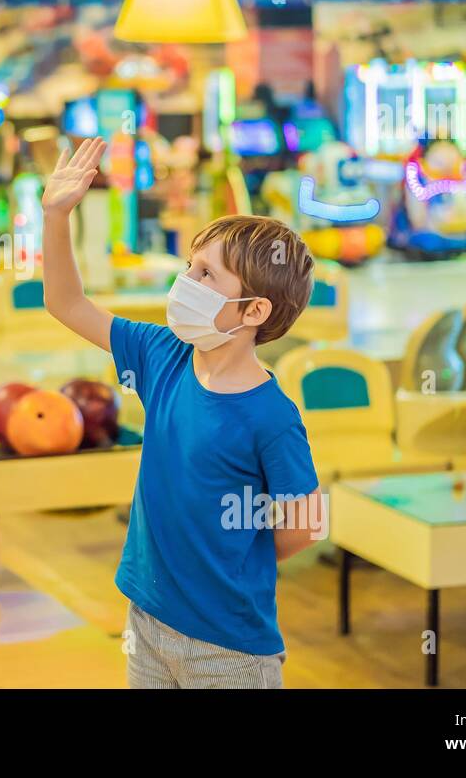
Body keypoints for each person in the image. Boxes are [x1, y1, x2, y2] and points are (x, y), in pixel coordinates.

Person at [40, 137, 324, 688]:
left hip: (228, 646)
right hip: (147, 617)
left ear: (255, 310)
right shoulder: (162, 355)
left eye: (206, 276)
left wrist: (230, 562)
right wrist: (56, 216)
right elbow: (66, 304)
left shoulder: (272, 417)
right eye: (189, 268)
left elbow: (307, 525)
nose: (184, 284)